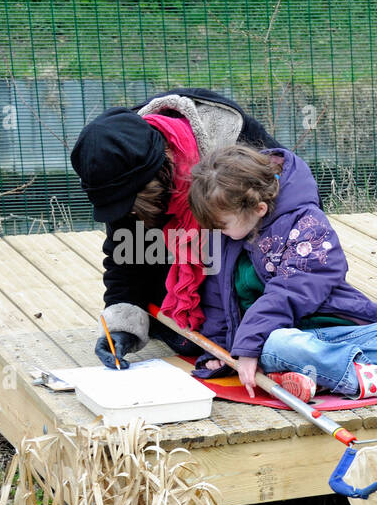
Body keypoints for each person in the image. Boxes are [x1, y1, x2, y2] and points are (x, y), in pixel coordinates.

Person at [187, 145, 377, 401]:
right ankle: (361, 379)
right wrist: (217, 351)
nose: (218, 232)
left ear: (259, 209)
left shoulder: (309, 224)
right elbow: (217, 301)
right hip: (274, 339)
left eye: (222, 225)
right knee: (280, 343)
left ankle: (312, 374)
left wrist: (249, 344)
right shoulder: (223, 238)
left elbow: (290, 291)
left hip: (332, 332)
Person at [70, 88, 281, 368]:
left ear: (160, 173)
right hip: (186, 280)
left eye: (132, 204)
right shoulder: (120, 166)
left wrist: (249, 335)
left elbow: (288, 240)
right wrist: (121, 327)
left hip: (247, 268)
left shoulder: (238, 146)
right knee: (179, 330)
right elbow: (127, 255)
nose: (129, 213)